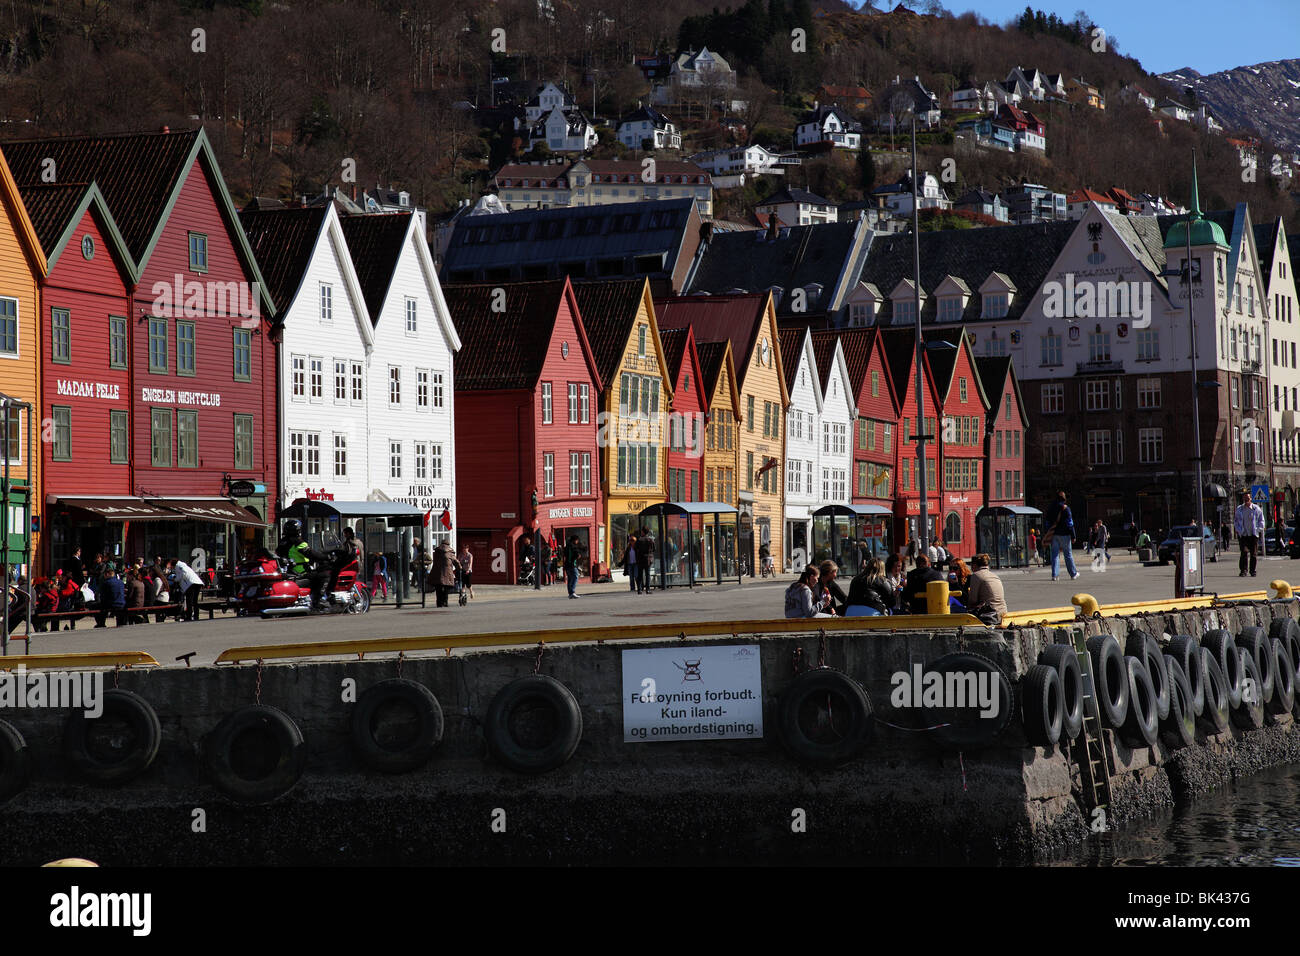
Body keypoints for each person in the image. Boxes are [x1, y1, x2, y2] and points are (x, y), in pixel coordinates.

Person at [276, 520, 329, 611]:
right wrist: (327, 557)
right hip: (301, 573)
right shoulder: (298, 542)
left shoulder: (282, 543)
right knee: (324, 575)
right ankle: (318, 599)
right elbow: (312, 554)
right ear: (298, 531)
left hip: (289, 572)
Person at [1044, 490, 1080, 582]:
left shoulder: (1051, 508)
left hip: (1054, 534)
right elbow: (1070, 524)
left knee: (1055, 555)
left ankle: (1055, 575)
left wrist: (1049, 532)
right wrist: (1073, 535)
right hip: (1064, 534)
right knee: (1068, 555)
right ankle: (1073, 573)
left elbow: (1047, 522)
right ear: (1064, 499)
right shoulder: (1065, 508)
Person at [967, 553, 1007, 626]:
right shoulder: (994, 576)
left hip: (990, 614)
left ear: (974, 565)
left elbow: (973, 600)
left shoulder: (976, 576)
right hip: (1002, 611)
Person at [1234, 489, 1265, 577]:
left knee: (1253, 554)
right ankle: (1243, 570)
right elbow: (1236, 521)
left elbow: (1261, 520)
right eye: (1245, 498)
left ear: (1251, 498)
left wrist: (1258, 529)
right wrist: (1238, 530)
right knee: (1244, 552)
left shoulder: (1256, 509)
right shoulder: (1240, 509)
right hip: (1243, 535)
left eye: (1248, 497)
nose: (1246, 499)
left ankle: (1252, 571)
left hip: (1253, 535)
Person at [168, 557, 204, 621]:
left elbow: (180, 575)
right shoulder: (183, 565)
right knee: (195, 601)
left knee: (189, 600)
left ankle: (189, 616)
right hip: (197, 582)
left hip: (190, 584)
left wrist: (174, 579)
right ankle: (196, 615)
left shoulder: (178, 566)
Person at [431, 542, 457, 607]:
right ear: (448, 545)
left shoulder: (437, 551)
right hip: (447, 573)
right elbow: (455, 561)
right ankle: (445, 602)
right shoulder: (450, 552)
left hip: (437, 572)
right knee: (446, 588)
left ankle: (439, 603)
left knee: (438, 588)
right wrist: (459, 567)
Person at [634, 527, 654, 594]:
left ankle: (639, 589)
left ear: (643, 532)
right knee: (647, 574)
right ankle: (647, 589)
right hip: (647, 559)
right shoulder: (650, 540)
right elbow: (654, 549)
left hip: (640, 558)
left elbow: (635, 548)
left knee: (640, 574)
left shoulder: (639, 540)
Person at [563, 534, 583, 599]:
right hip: (572, 564)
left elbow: (565, 555)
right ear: (575, 540)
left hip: (567, 564)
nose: (577, 542)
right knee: (575, 576)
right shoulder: (573, 546)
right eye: (577, 540)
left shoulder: (567, 546)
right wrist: (578, 556)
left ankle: (570, 593)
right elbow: (575, 554)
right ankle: (572, 592)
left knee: (569, 578)